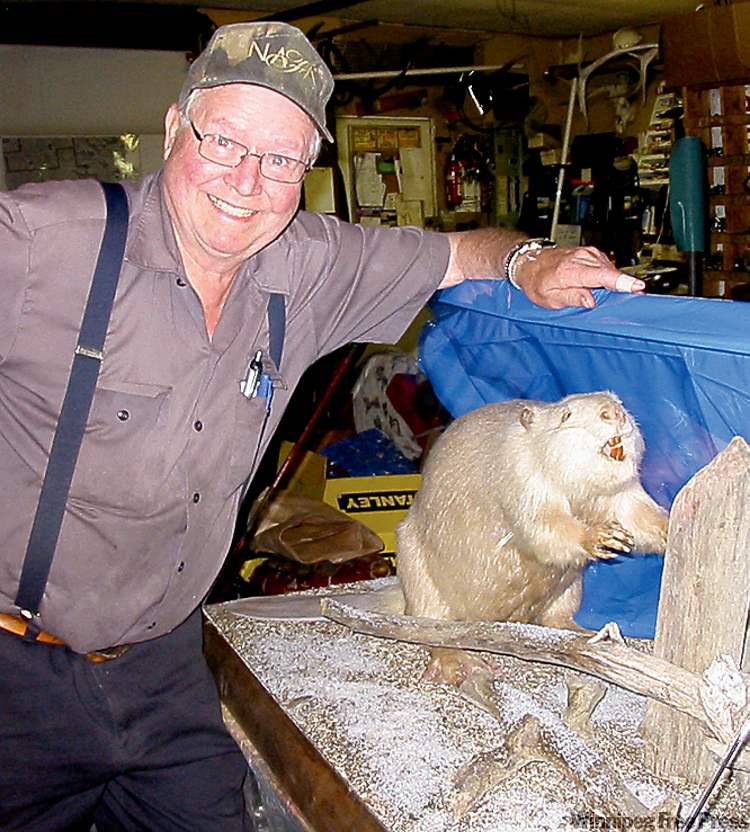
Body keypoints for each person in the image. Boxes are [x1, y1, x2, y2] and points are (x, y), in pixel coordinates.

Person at [0, 21, 644, 832]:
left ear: (306, 171)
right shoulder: (42, 244)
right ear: (174, 128)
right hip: (18, 675)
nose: (246, 180)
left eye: (281, 160)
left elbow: (458, 255)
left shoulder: (304, 265)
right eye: (225, 140)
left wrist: (533, 262)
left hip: (165, 668)